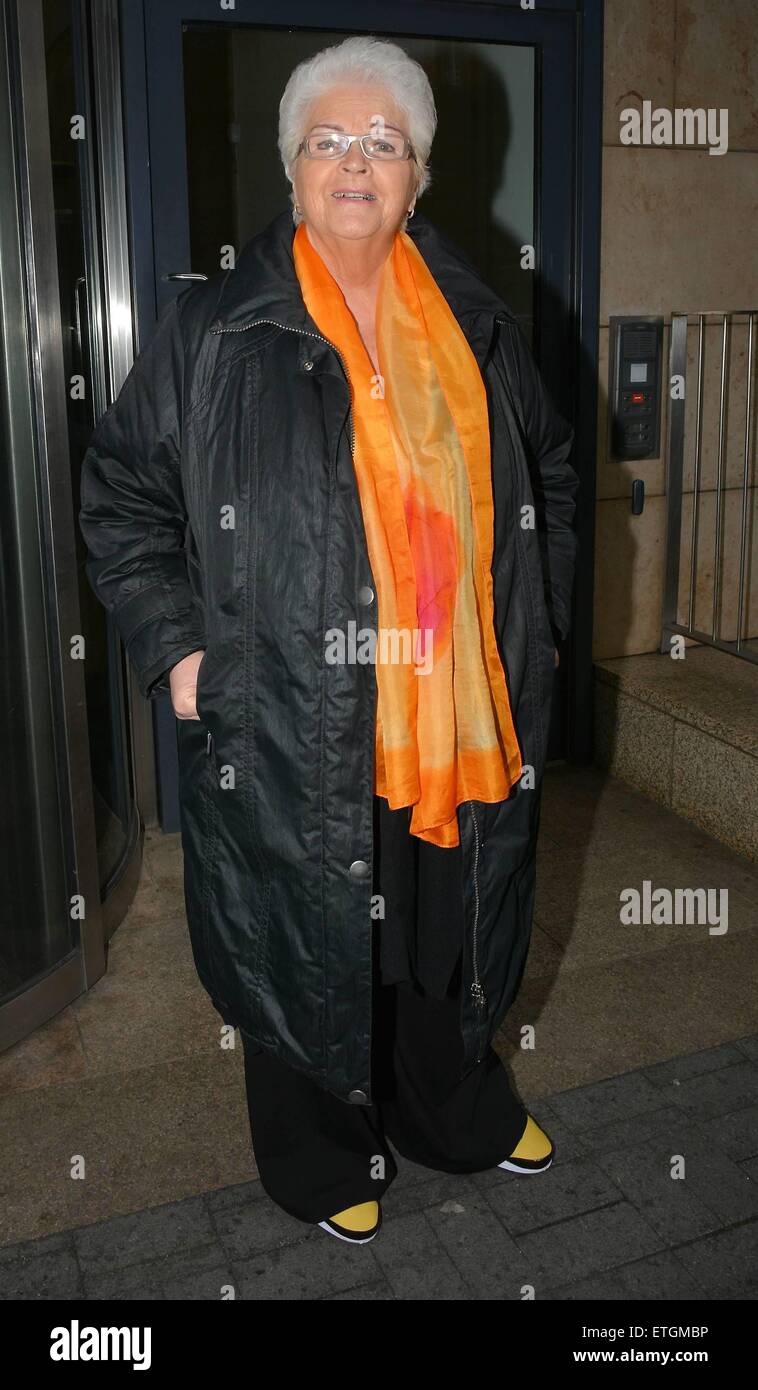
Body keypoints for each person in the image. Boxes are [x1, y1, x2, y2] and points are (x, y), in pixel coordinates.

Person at [79, 35, 580, 1245]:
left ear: (417, 176)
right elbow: (121, 497)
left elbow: (550, 476)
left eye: (384, 143)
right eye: (328, 141)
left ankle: (447, 1108)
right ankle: (316, 1156)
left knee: (443, 916)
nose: (355, 163)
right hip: (287, 713)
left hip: (455, 707)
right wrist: (184, 656)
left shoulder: (478, 321)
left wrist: (533, 625)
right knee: (300, 929)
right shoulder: (217, 331)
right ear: (291, 167)